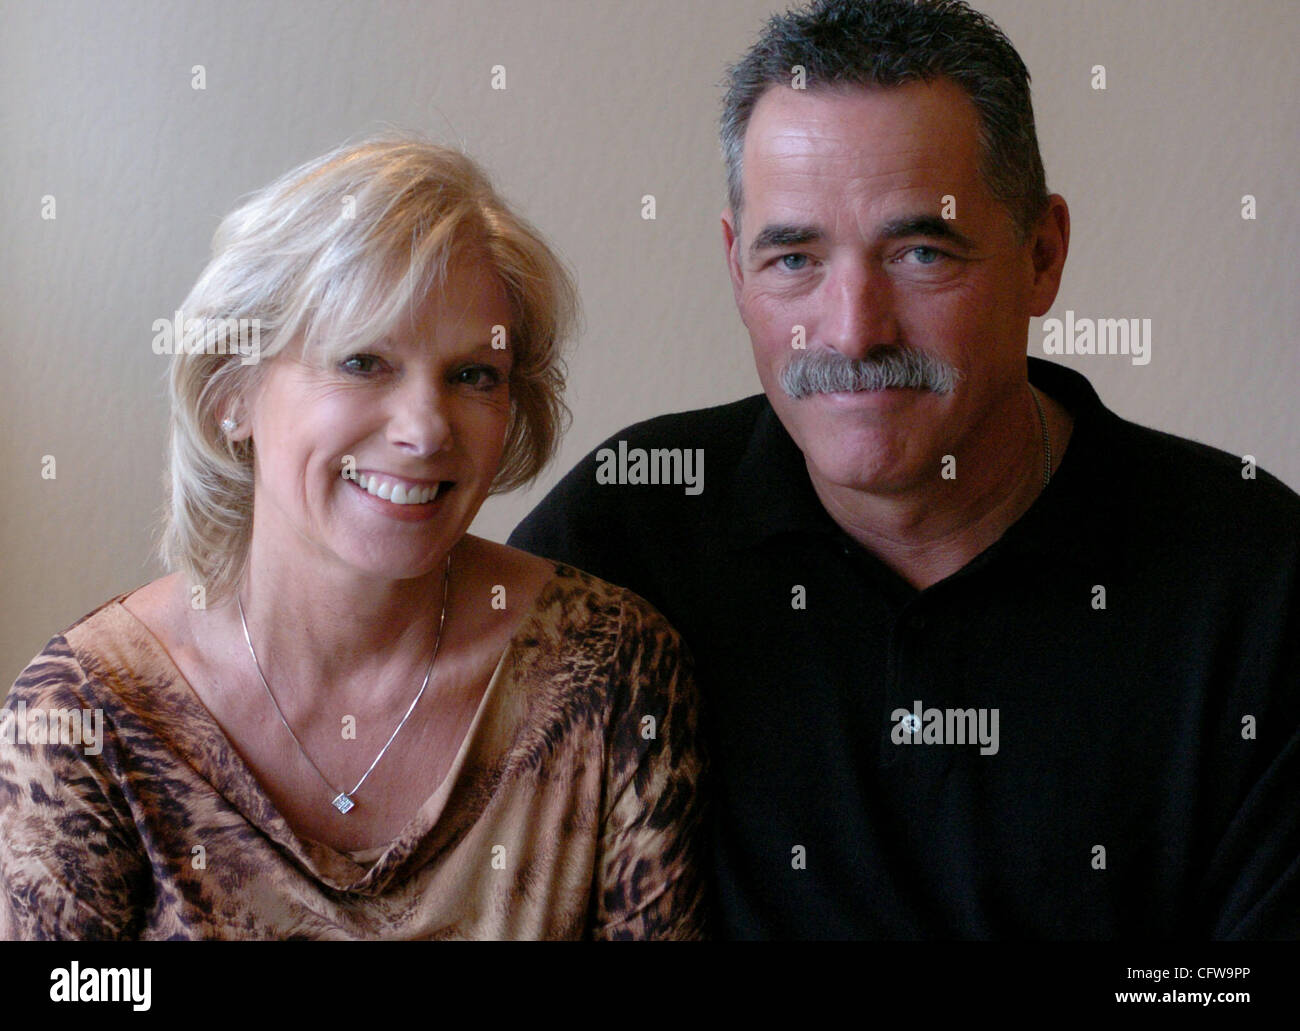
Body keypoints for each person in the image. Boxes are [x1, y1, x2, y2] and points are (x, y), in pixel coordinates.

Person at [511, 0, 1300, 939]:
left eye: (921, 251)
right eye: (795, 257)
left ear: (1041, 257)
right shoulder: (626, 530)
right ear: (735, 267)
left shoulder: (1259, 579)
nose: (853, 330)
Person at [0, 135, 707, 940]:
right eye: (364, 361)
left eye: (474, 374)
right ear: (233, 391)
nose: (424, 427)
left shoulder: (611, 673)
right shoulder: (86, 712)